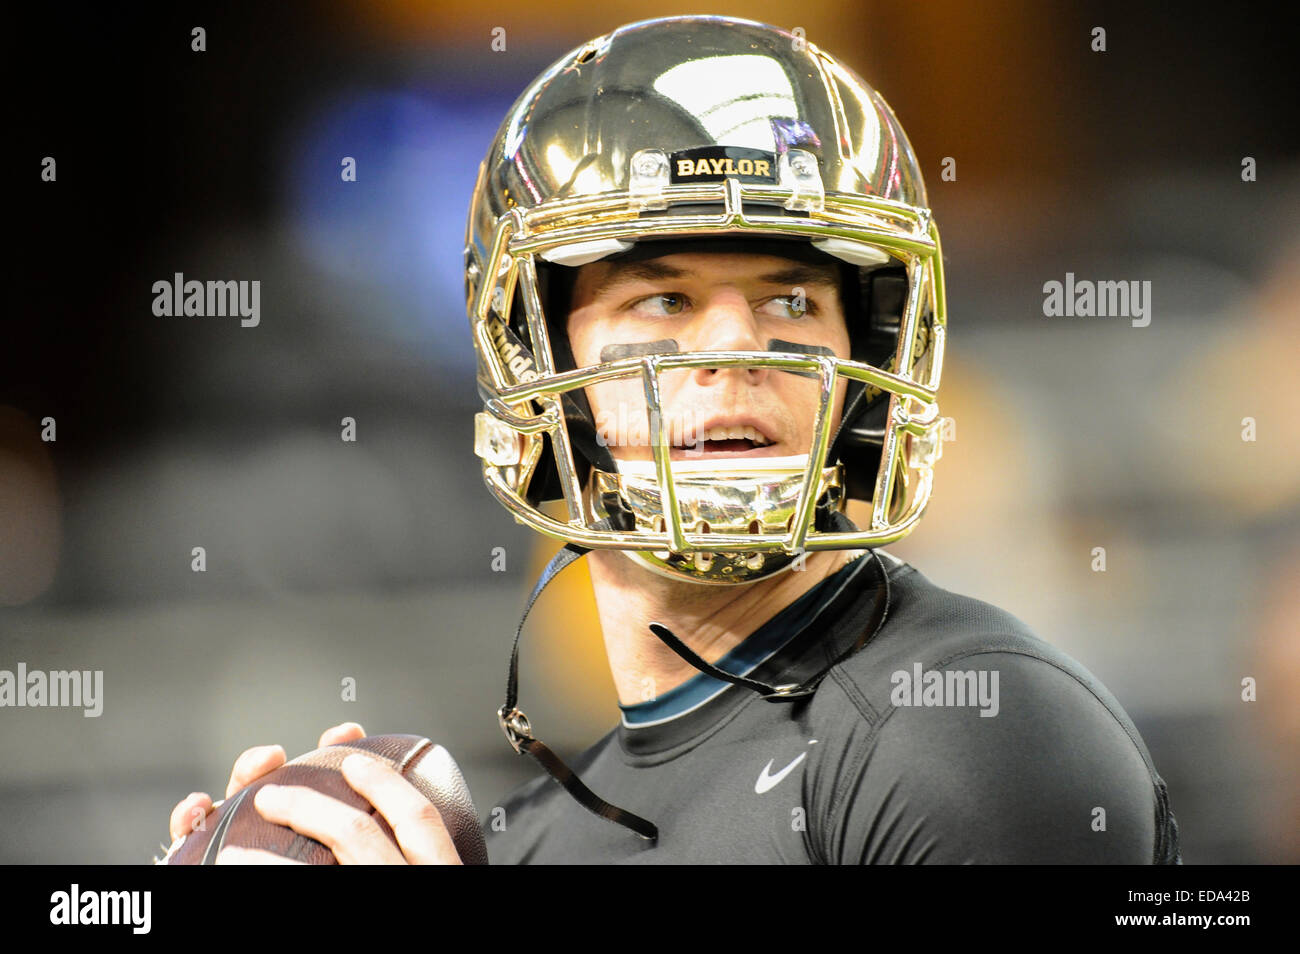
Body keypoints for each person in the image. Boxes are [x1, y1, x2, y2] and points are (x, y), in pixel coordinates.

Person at [167, 15, 1180, 864]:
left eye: (790, 295)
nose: (738, 344)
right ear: (537, 366)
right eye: (662, 298)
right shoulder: (543, 832)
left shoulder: (973, 731)